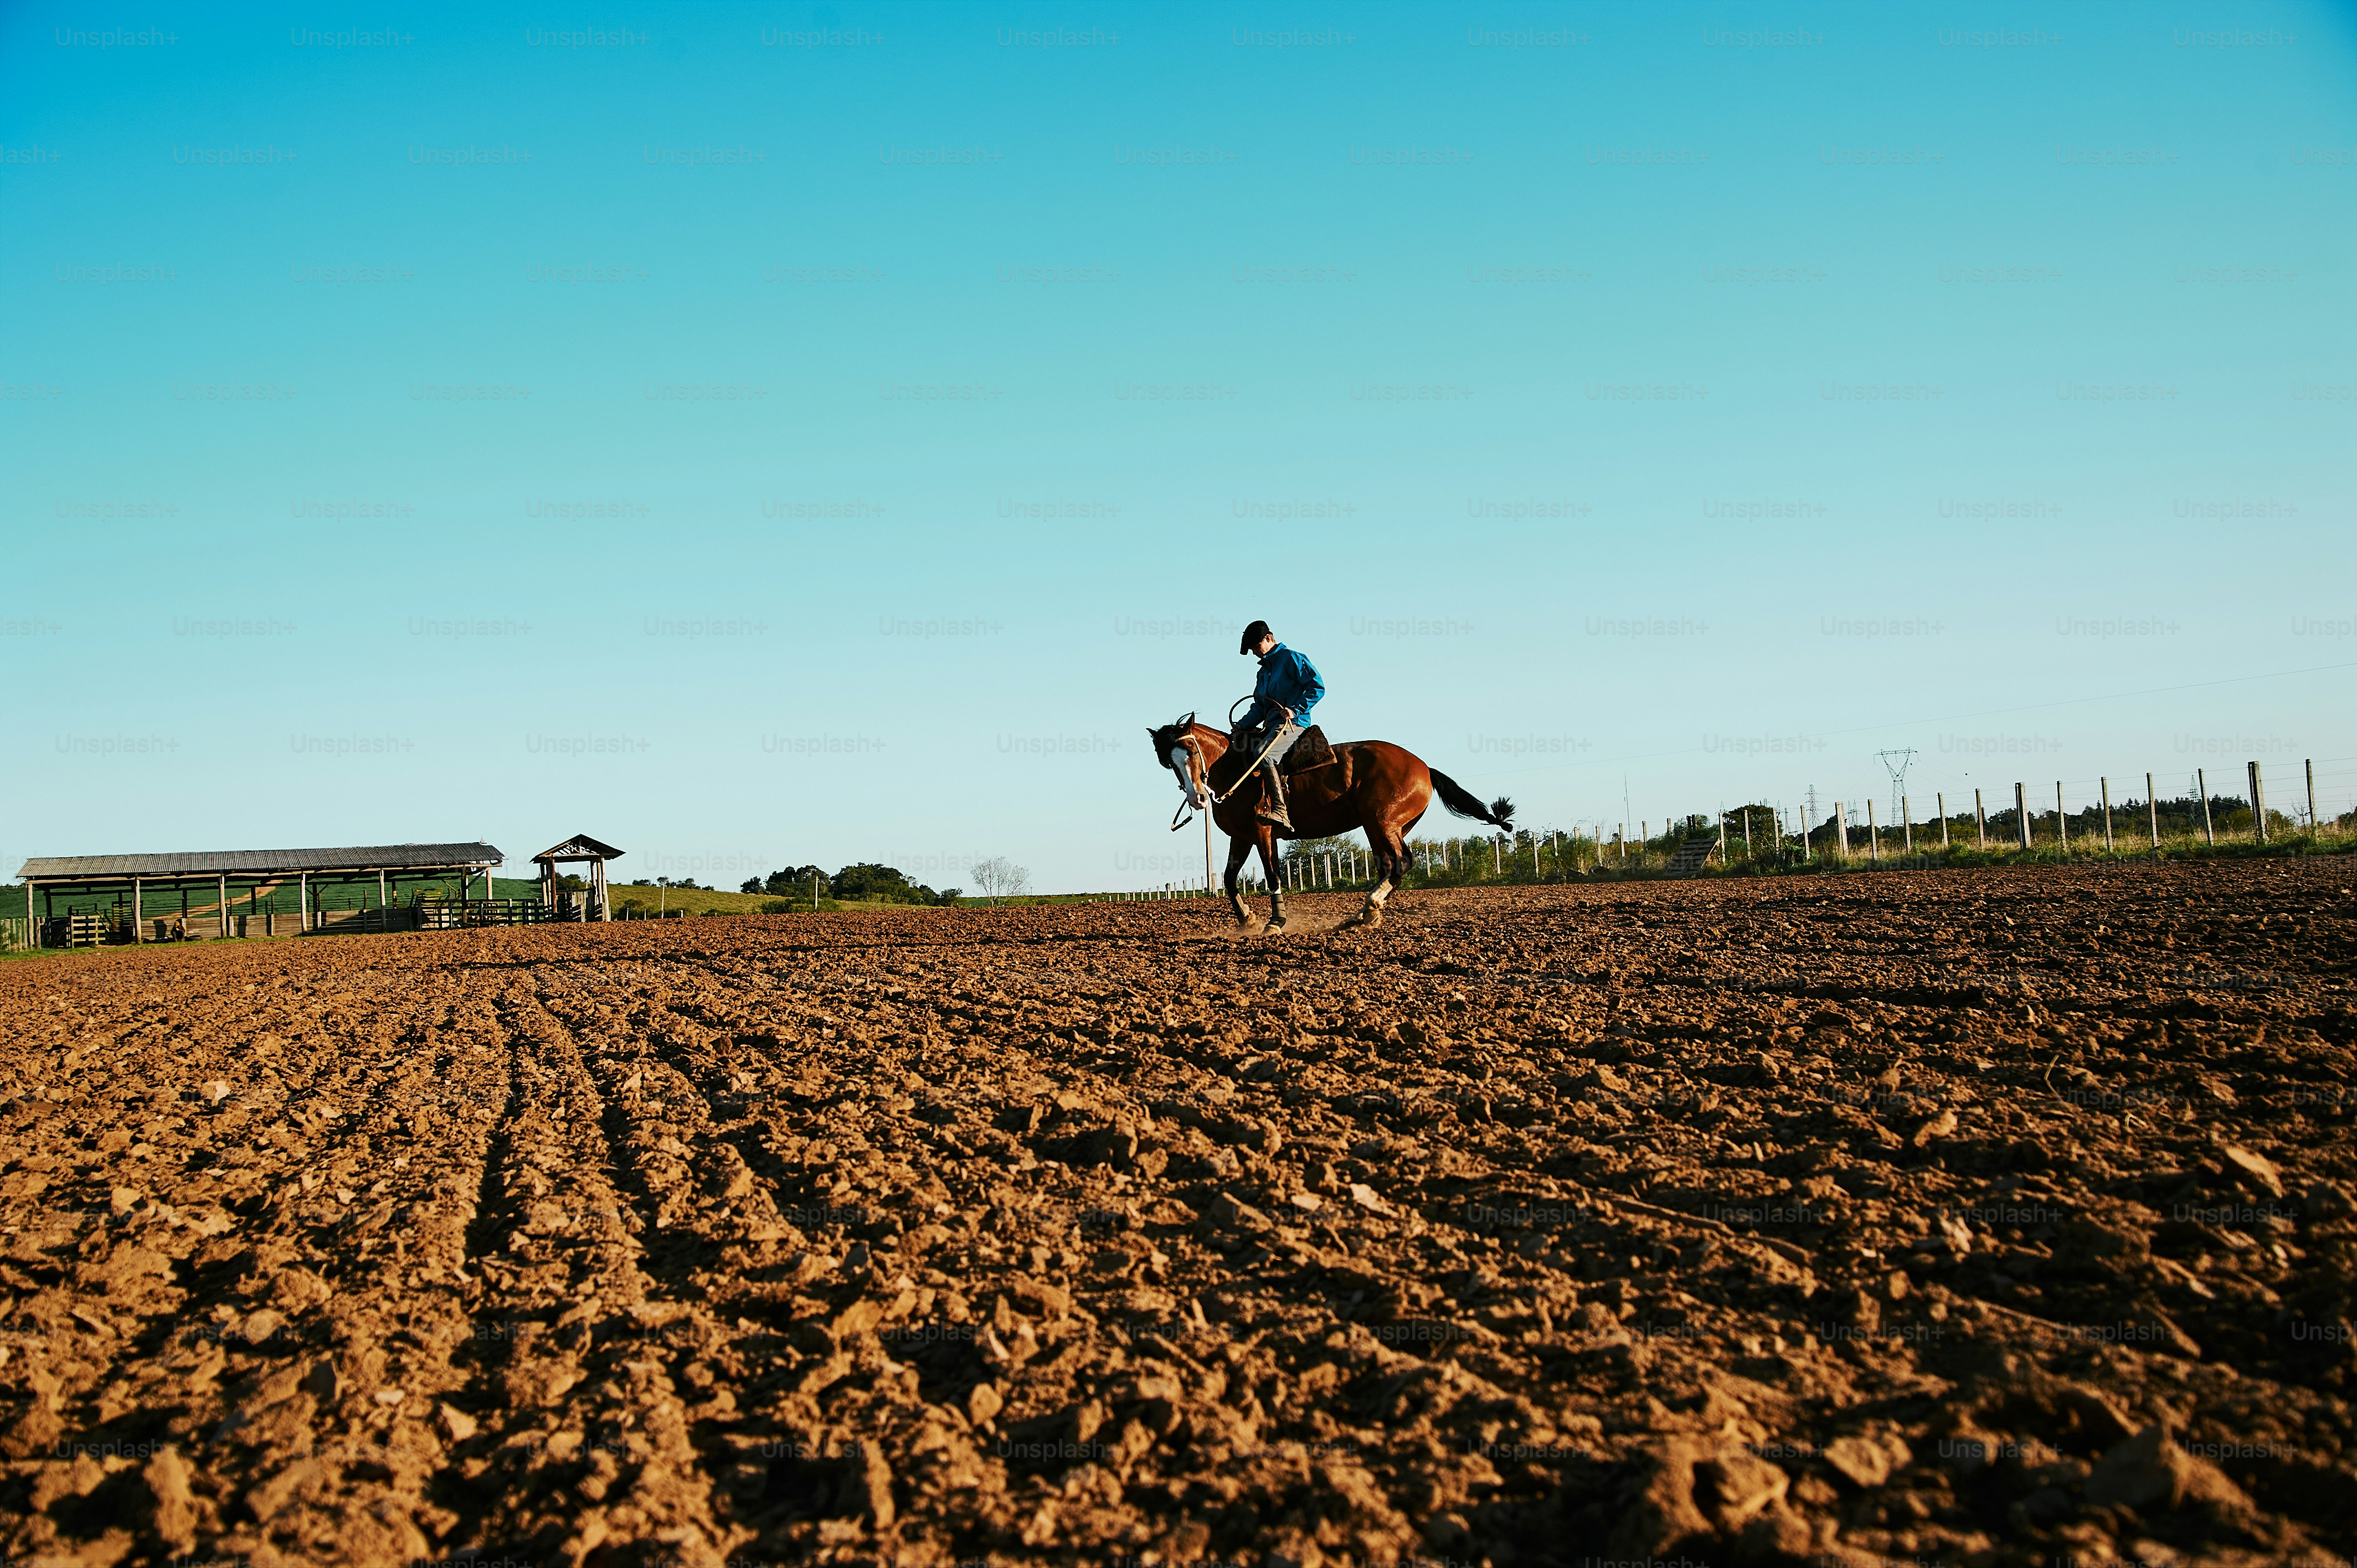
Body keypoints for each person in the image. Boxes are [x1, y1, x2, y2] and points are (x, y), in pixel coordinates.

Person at [1234, 620, 1322, 832]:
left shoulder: (1292, 658)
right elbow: (1260, 707)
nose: (1255, 652)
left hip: (1293, 724)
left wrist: (1295, 709)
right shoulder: (1263, 672)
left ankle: (1280, 810)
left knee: (1263, 755)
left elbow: (1317, 686)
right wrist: (1242, 725)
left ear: (1269, 638)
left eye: (1256, 646)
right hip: (1271, 726)